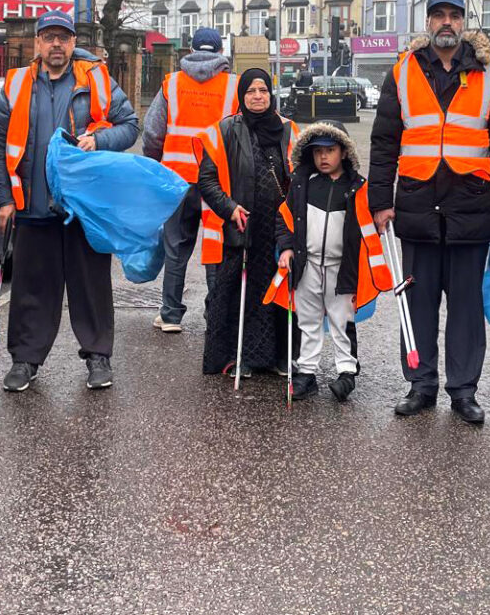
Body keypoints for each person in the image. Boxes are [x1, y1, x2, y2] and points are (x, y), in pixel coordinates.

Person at [368, 0, 490, 424]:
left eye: (454, 15)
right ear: (428, 22)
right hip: (416, 206)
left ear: (463, 22)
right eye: (438, 15)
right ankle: (420, 384)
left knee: (466, 311)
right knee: (416, 304)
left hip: (469, 206)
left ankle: (463, 390)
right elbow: (383, 143)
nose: (446, 22)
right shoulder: (402, 71)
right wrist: (380, 199)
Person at [0, 11, 138, 392]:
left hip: (83, 209)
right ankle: (25, 361)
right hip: (32, 206)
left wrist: (99, 140)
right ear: (37, 43)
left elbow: (129, 126)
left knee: (91, 286)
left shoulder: (97, 80)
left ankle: (97, 356)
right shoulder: (17, 83)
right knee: (31, 290)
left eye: (64, 37)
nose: (56, 44)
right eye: (49, 37)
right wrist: (4, 198)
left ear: (73, 43)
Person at [275, 122, 390, 402]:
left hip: (342, 267)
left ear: (344, 152)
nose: (323, 157)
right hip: (308, 264)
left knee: (341, 320)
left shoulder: (357, 189)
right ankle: (306, 373)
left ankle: (346, 373)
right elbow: (284, 219)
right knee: (308, 320)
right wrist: (287, 248)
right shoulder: (303, 185)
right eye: (318, 152)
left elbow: (368, 227)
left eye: (330, 150)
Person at [197, 68, 298, 378]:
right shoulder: (225, 130)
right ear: (241, 96)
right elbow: (207, 178)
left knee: (279, 290)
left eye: (263, 91)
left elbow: (299, 174)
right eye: (251, 91)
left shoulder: (287, 129)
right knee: (238, 294)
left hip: (277, 228)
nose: (257, 96)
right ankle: (238, 356)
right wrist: (229, 209)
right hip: (241, 227)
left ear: (271, 94)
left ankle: (281, 356)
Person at [141, 27, 240, 334]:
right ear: (220, 51)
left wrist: (157, 162)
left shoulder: (172, 84)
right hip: (218, 183)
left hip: (176, 180)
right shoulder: (234, 86)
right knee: (215, 248)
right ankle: (216, 316)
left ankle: (170, 315)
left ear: (190, 49)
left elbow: (153, 132)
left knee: (175, 249)